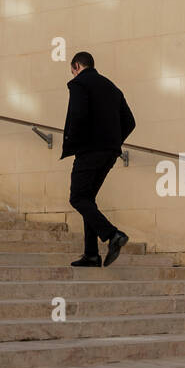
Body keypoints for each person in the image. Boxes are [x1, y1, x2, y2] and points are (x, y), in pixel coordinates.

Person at [60, 51, 134, 267]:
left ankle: (113, 235)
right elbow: (130, 121)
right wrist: (112, 141)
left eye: (72, 71)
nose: (73, 75)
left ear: (76, 66)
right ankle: (91, 254)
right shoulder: (112, 87)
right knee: (87, 200)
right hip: (109, 153)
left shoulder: (79, 84)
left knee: (77, 198)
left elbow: (78, 116)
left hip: (90, 152)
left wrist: (76, 142)